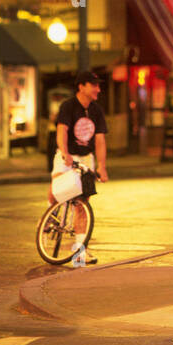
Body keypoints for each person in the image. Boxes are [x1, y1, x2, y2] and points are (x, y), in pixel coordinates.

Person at [52, 71, 108, 266]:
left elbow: (100, 140)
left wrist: (101, 166)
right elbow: (62, 131)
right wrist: (65, 152)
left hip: (86, 157)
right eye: (94, 85)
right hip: (67, 154)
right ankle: (51, 216)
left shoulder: (96, 111)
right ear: (81, 86)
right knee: (56, 191)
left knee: (82, 203)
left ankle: (79, 249)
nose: (98, 90)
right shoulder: (68, 107)